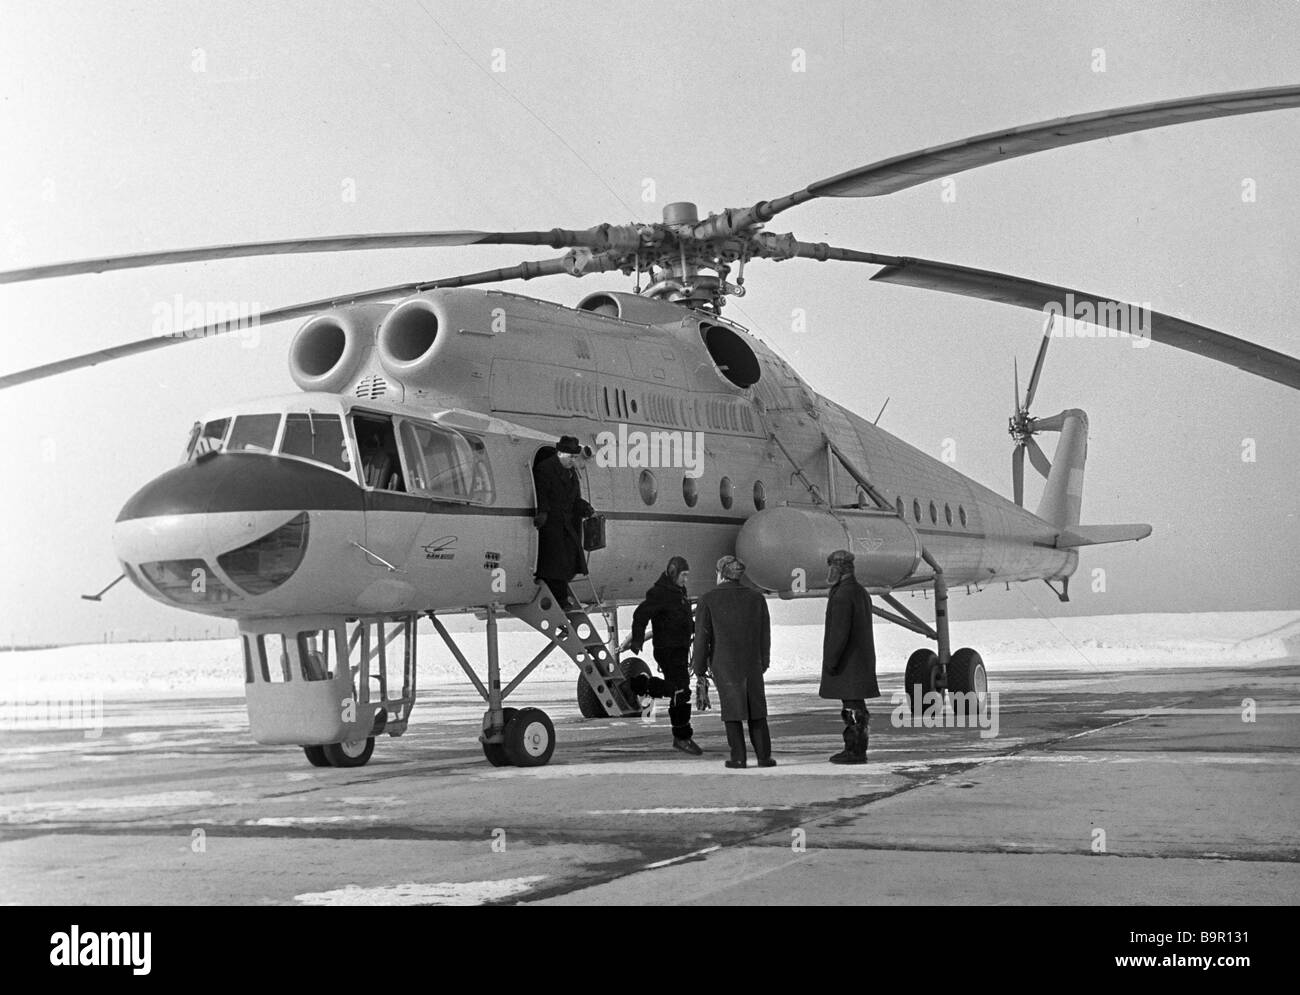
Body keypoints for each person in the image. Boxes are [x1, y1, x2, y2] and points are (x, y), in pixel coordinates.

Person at [691, 555, 774, 769]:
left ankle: (739, 757)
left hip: (724, 664)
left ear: (720, 573)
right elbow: (765, 635)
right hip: (752, 663)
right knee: (757, 710)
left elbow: (702, 638)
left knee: (732, 711)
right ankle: (764, 757)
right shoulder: (757, 598)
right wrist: (763, 661)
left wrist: (699, 668)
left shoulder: (708, 599)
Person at [621, 556, 703, 756]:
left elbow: (680, 618)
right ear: (674, 573)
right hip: (667, 650)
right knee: (680, 691)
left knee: (678, 690)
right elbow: (641, 615)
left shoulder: (679, 592)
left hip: (680, 648)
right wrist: (638, 639)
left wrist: (694, 629)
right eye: (683, 575)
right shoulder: (659, 593)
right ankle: (682, 737)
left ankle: (641, 685)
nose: (686, 579)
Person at [819, 549, 879, 764]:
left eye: (832, 567)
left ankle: (854, 751)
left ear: (838, 569)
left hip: (847, 663)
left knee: (852, 709)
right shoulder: (859, 591)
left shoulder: (842, 594)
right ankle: (856, 749)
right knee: (856, 707)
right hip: (859, 660)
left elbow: (839, 632)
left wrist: (831, 660)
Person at [532, 436, 593, 610]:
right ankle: (561, 599)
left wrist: (585, 508)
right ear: (559, 453)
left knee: (569, 560)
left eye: (575, 457)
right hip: (552, 523)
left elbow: (574, 499)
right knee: (555, 563)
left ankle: (562, 596)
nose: (573, 460)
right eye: (570, 457)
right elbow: (541, 493)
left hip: (566, 523)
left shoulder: (571, 472)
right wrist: (542, 512)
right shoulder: (545, 469)